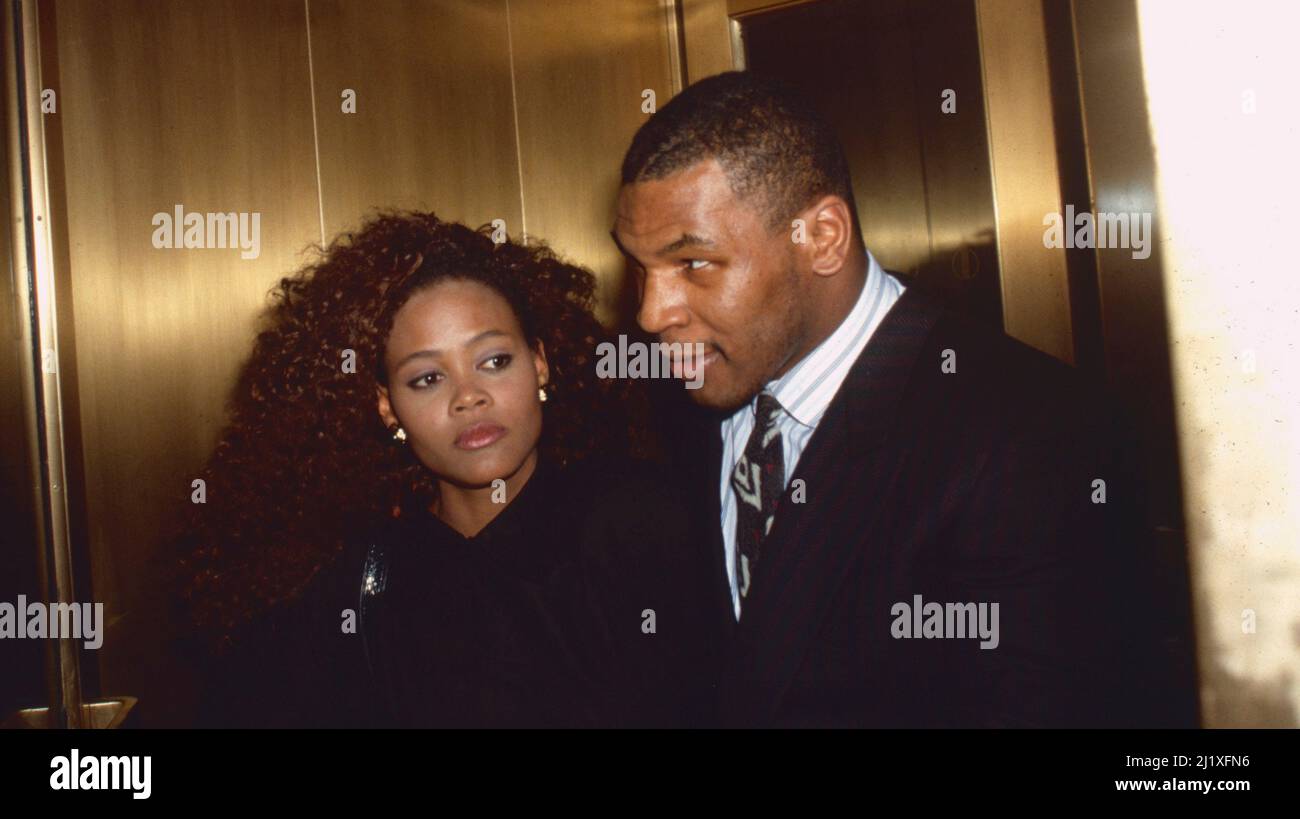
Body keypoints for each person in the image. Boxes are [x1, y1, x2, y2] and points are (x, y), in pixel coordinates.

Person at [613, 71, 1174, 727]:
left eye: (693, 264)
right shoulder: (687, 405)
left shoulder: (1032, 437)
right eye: (640, 267)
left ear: (822, 237)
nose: (651, 313)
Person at [171, 211, 714, 728]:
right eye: (427, 378)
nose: (468, 397)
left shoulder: (643, 523)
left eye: (494, 361)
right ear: (387, 406)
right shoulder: (349, 586)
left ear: (540, 363)